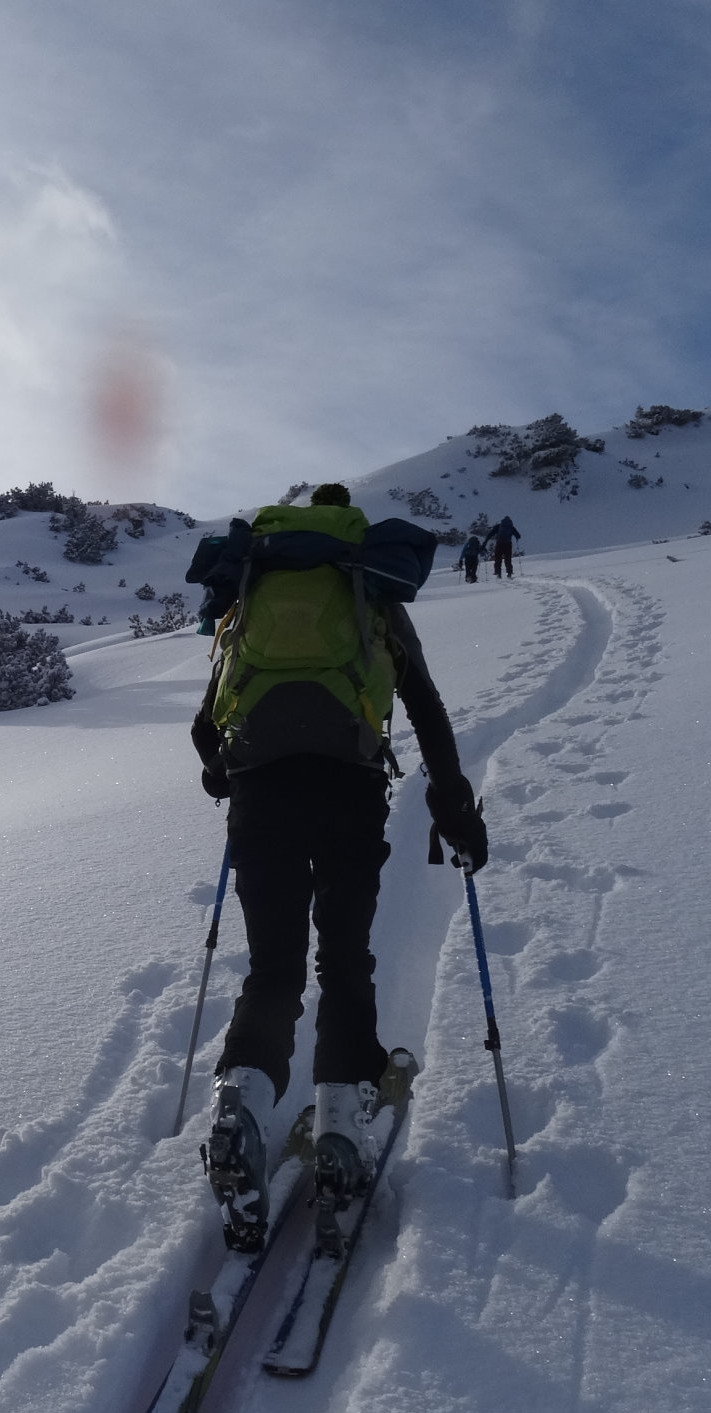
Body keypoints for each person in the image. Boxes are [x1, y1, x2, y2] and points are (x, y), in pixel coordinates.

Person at [191, 483, 488, 1253]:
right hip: (349, 791)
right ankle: (341, 1133)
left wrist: (226, 773)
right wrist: (456, 808)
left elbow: (208, 722)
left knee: (273, 970)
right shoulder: (370, 588)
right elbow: (423, 705)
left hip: (261, 792)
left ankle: (239, 1112)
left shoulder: (248, 594)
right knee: (345, 961)